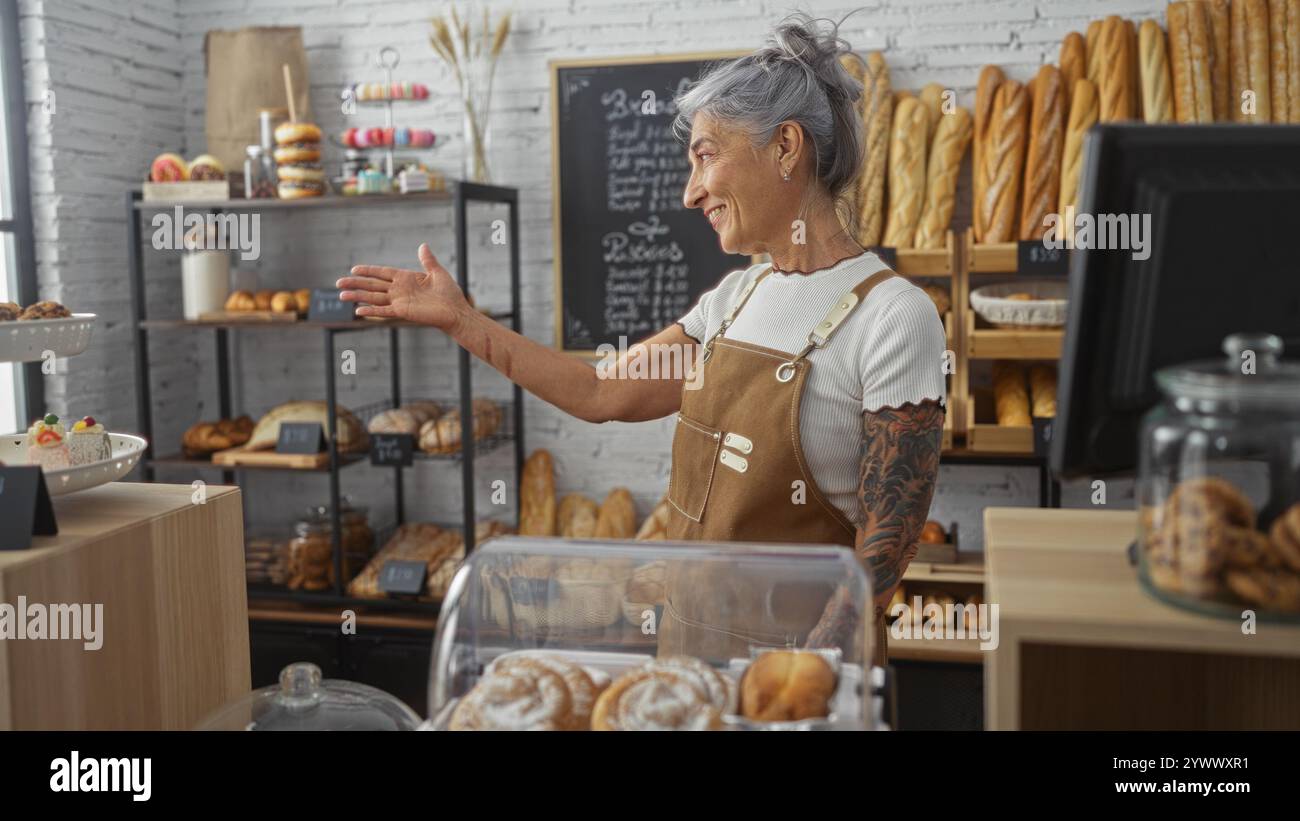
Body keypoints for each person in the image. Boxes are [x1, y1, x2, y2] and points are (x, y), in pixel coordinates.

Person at [336, 14, 945, 664]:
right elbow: (601, 390)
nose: (689, 192)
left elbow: (885, 545)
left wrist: (806, 679)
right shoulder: (736, 301)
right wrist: (464, 321)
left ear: (786, 147)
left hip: (803, 683)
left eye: (706, 154)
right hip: (688, 661)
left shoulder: (892, 315)